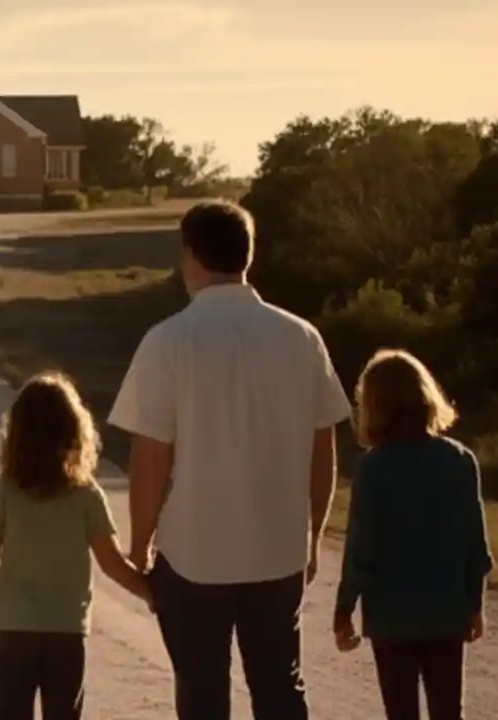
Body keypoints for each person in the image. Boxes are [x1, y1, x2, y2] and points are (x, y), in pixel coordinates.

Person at [108, 200, 351, 719]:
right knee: (280, 688)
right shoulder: (301, 337)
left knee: (201, 693)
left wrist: (139, 545)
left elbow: (150, 457)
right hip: (277, 548)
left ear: (191, 255)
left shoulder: (168, 341)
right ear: (248, 255)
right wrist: (311, 535)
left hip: (195, 553)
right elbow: (323, 448)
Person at [0, 372, 152, 720]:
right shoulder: (86, 495)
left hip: (11, 631)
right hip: (65, 632)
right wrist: (154, 593)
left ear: (15, 435)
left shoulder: (2, 492)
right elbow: (112, 564)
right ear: (74, 433)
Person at [333, 349, 493, 720]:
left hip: (392, 618)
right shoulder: (459, 460)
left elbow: (362, 547)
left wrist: (344, 608)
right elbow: (474, 542)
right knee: (448, 709)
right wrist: (475, 604)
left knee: (400, 712)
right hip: (446, 613)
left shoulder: (374, 469)